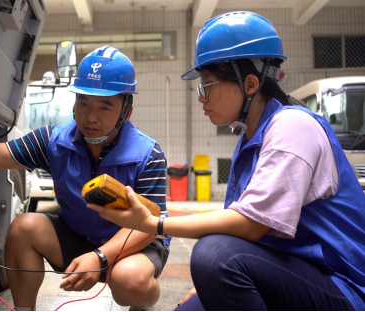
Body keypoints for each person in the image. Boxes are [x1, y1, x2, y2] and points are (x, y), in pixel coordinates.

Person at [88, 11, 365, 311]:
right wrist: (207, 282)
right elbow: (238, 231)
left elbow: (248, 226)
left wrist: (156, 224)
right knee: (193, 301)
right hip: (295, 273)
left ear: (249, 85)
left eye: (207, 85)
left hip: (342, 287)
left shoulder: (292, 128)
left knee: (212, 254)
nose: (201, 98)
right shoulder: (251, 140)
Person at [0, 46, 170, 311]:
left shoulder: (148, 154)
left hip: (133, 245)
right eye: (83, 103)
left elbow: (148, 226)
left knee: (130, 281)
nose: (90, 117)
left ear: (127, 111)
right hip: (77, 236)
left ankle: (143, 300)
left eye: (104, 107)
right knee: (24, 228)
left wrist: (100, 257)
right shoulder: (54, 140)